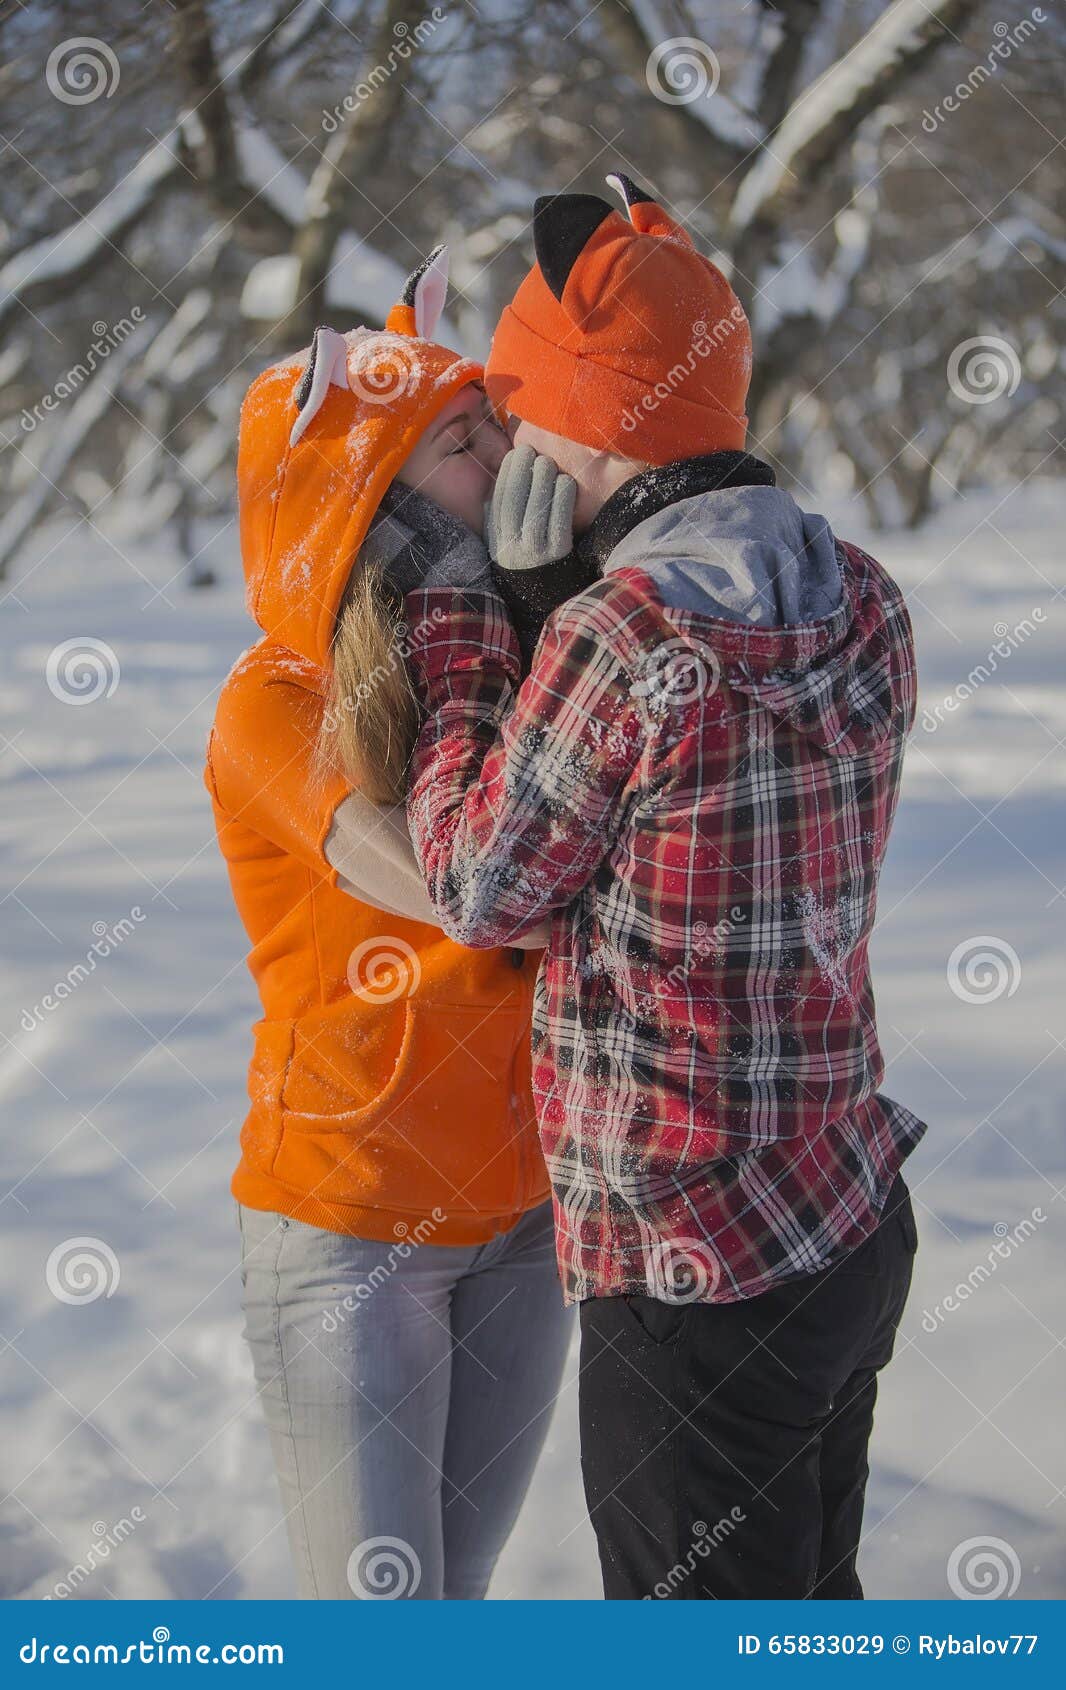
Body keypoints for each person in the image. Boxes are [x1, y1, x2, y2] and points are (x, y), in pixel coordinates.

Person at [399, 177, 927, 1600]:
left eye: (515, 419)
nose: (500, 443)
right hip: (844, 1208)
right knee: (810, 1610)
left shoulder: (618, 634)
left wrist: (475, 617)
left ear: (575, 427)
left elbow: (478, 879)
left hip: (687, 1261)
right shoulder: (864, 593)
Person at [204, 249, 573, 1601]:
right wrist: (515, 611)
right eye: (463, 442)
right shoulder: (274, 702)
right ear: (364, 500)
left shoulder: (535, 639)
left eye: (493, 422)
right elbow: (459, 874)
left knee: (451, 1610)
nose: (507, 455)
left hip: (525, 1219)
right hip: (349, 1235)